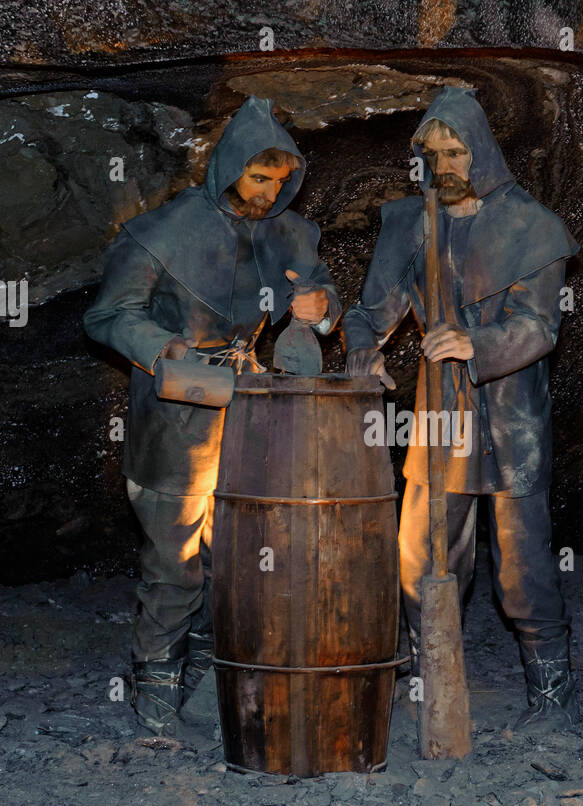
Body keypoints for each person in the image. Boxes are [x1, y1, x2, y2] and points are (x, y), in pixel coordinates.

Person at [84, 95, 340, 734]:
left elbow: (324, 290)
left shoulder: (287, 231)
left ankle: (210, 670)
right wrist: (163, 348)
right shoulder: (160, 231)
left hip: (251, 403)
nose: (270, 192)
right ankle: (155, 685)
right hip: (177, 408)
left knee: (239, 547)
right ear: (228, 166)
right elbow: (108, 314)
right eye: (259, 178)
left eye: (282, 181)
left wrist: (318, 307)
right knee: (175, 556)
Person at [342, 86, 582, 733]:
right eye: (433, 152)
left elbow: (539, 327)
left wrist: (474, 342)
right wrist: (363, 351)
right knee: (419, 550)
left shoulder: (533, 228)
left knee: (524, 560)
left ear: (480, 153)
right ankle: (430, 674)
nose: (444, 164)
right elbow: (370, 313)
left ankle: (551, 691)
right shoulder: (410, 225)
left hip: (511, 416)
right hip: (439, 415)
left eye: (456, 151)